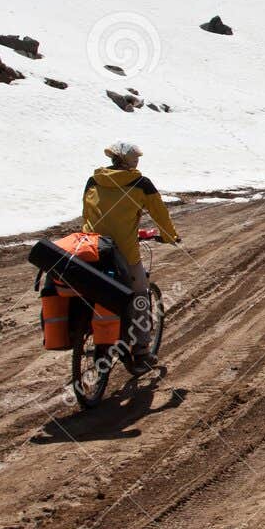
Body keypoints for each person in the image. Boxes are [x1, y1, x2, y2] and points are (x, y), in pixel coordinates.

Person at [82, 142, 180, 367]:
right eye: (136, 159)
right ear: (130, 161)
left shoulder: (93, 181)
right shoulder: (141, 184)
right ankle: (141, 352)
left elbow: (86, 214)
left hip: (91, 249)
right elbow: (160, 214)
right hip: (123, 254)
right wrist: (170, 236)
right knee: (139, 296)